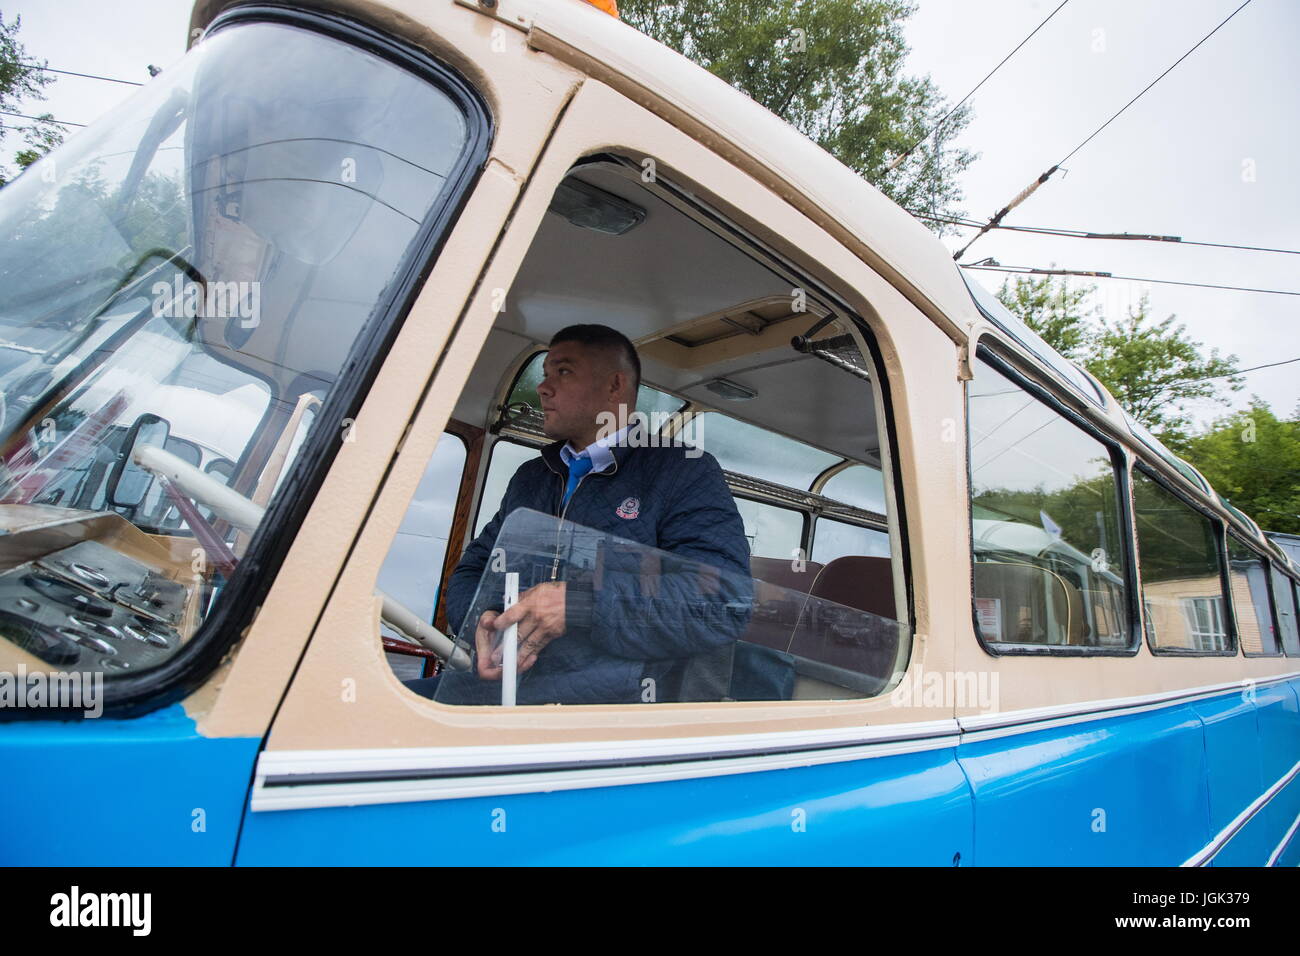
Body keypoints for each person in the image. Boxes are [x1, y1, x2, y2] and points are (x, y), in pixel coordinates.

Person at [426, 324, 753, 705]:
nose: (543, 387)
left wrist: (580, 604)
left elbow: (724, 602)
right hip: (506, 685)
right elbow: (473, 570)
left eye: (563, 372)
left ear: (615, 386)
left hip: (610, 704)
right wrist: (483, 621)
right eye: (545, 374)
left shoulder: (683, 469)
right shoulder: (532, 477)